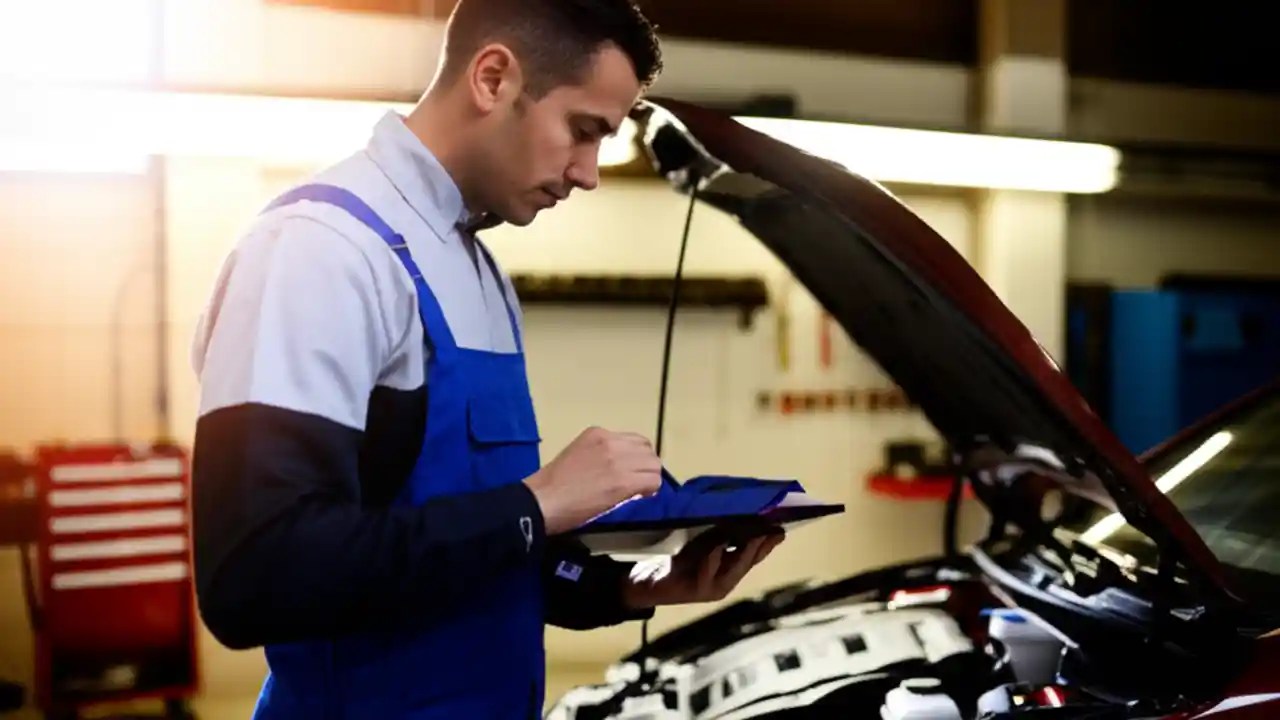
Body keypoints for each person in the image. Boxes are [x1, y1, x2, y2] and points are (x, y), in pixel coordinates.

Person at [188, 0, 783, 717]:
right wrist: (539, 502)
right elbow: (259, 576)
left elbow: (480, 554)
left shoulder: (480, 272)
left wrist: (626, 586)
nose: (590, 173)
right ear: (494, 78)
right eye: (583, 131)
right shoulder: (322, 251)